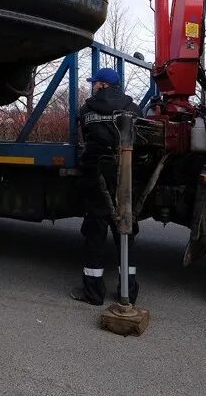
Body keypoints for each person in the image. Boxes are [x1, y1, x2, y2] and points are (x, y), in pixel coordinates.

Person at [70, 67, 140, 306]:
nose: (93, 86)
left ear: (101, 85)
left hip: (97, 177)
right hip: (126, 177)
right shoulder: (133, 109)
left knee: (95, 232)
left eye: (95, 82)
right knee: (126, 232)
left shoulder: (87, 109)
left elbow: (86, 138)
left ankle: (93, 292)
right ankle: (128, 291)